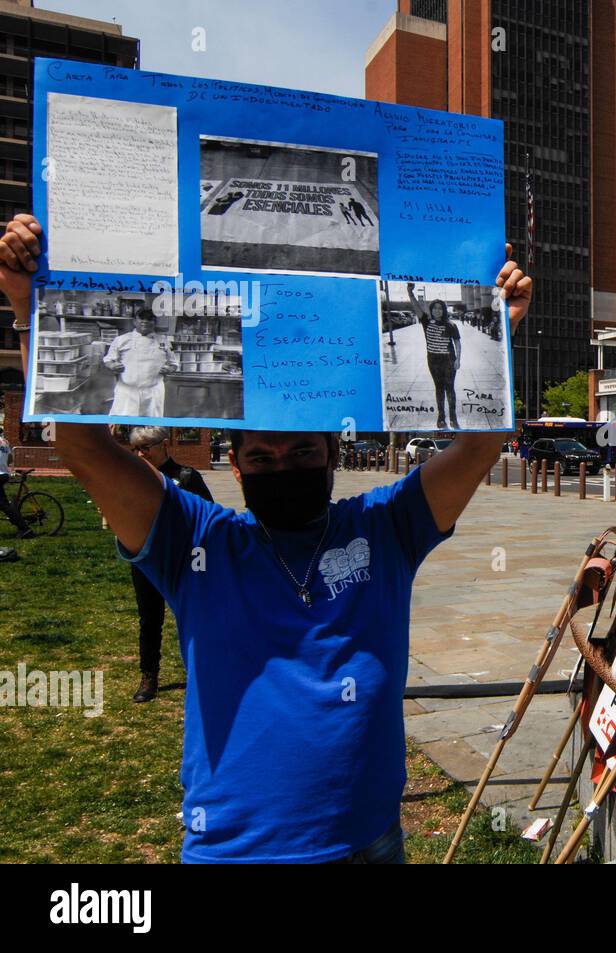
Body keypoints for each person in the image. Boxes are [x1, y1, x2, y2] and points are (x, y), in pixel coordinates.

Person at [0, 211, 533, 862]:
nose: (283, 469)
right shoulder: (192, 539)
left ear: (335, 451)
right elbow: (80, 442)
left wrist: (496, 334)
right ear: (234, 460)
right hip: (234, 852)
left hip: (368, 846)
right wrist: (30, 308)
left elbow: (480, 445)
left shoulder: (386, 527)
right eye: (263, 460)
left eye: (303, 453)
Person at [125, 426, 214, 703]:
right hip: (147, 560)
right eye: (136, 449)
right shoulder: (134, 477)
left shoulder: (186, 477)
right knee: (149, 619)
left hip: (182, 562)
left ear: (164, 445)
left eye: (146, 448)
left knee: (191, 617)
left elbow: (209, 516)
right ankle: (148, 675)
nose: (140, 454)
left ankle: (201, 672)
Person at [103, 308, 178, 417]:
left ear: (154, 322)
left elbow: (174, 364)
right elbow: (108, 360)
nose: (145, 322)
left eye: (149, 319)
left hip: (153, 393)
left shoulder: (163, 341)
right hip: (127, 392)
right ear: (134, 321)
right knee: (122, 425)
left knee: (151, 428)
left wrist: (169, 369)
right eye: (141, 318)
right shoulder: (121, 340)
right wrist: (112, 365)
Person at [408, 284, 461, 429]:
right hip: (433, 360)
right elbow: (416, 307)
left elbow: (457, 343)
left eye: (440, 308)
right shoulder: (426, 321)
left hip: (449, 360)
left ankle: (453, 418)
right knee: (439, 388)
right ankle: (441, 418)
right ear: (431, 310)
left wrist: (458, 360)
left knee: (450, 388)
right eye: (435, 308)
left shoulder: (451, 325)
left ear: (444, 310)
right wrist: (410, 292)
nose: (437, 310)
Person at [0, 425, 35, 538]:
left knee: (4, 505)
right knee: (3, 503)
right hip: (4, 473)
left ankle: (24, 529)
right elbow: (10, 459)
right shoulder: (4, 442)